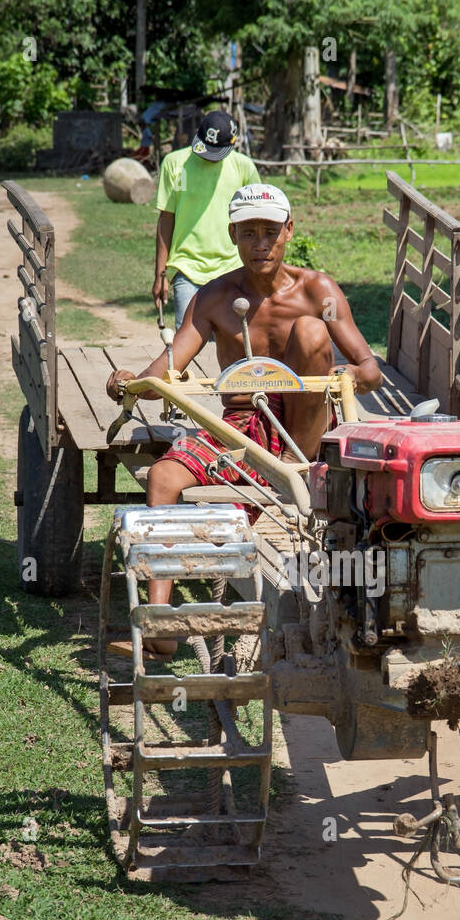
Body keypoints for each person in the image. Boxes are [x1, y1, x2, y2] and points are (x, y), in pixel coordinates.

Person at [105, 181, 381, 655]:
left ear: (289, 231)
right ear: (233, 235)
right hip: (244, 428)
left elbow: (370, 371)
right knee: (164, 477)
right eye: (249, 232)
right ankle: (161, 631)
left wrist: (338, 374)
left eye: (270, 231)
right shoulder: (215, 297)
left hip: (303, 432)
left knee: (312, 330)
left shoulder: (319, 291)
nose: (261, 244)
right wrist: (129, 381)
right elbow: (169, 368)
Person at [154, 109, 259, 329]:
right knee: (186, 339)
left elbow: (256, 218)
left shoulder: (243, 167)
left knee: (234, 339)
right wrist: (160, 274)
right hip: (187, 267)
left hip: (232, 267)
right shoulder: (174, 163)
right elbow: (166, 219)